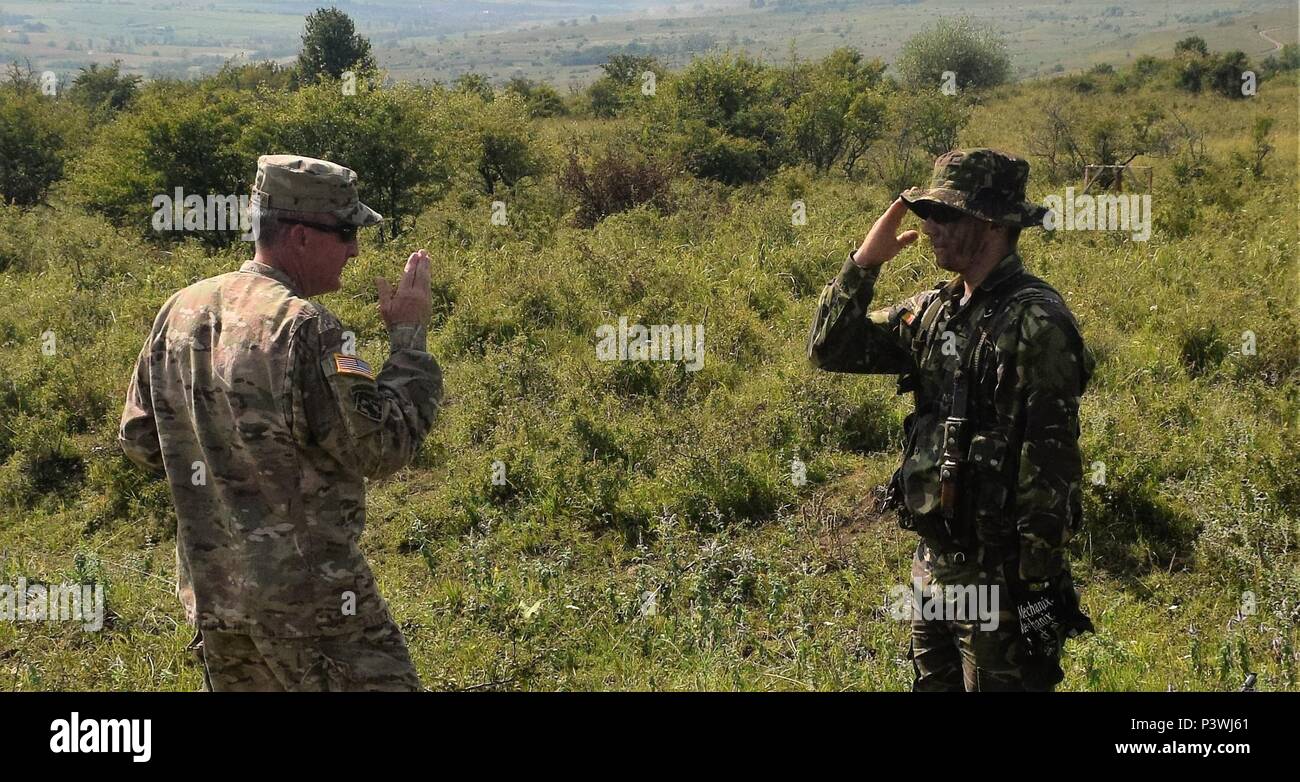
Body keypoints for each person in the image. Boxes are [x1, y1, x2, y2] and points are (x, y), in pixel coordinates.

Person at [119, 154, 442, 691]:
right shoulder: (304, 328)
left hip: (218, 597)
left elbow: (141, 441)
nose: (355, 249)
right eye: (345, 232)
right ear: (301, 237)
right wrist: (408, 342)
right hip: (314, 605)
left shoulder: (182, 308)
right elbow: (383, 447)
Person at [808, 148, 1095, 691]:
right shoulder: (934, 312)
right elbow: (831, 348)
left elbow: (1051, 469)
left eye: (945, 215)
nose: (930, 228)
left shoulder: (1037, 325)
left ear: (989, 223)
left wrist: (1035, 589)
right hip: (934, 565)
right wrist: (863, 264)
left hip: (1004, 582)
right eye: (927, 213)